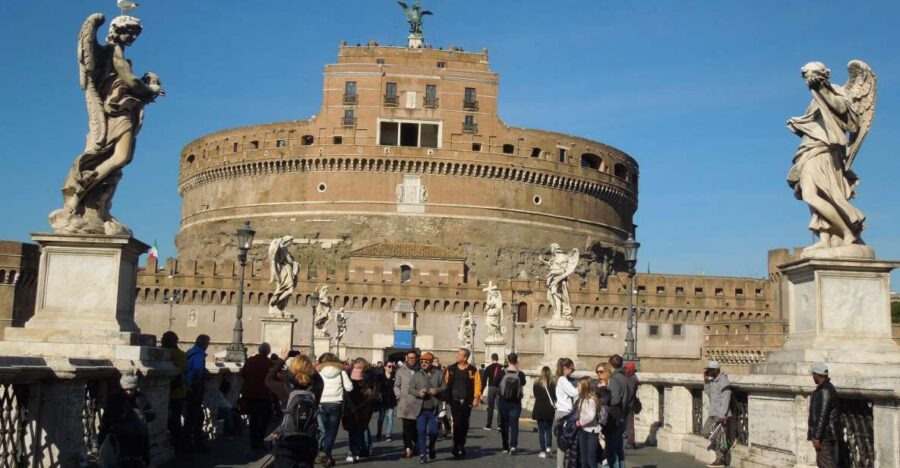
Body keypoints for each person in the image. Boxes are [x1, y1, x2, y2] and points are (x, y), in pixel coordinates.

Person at [266, 348, 324, 468]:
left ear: (292, 369)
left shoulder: (284, 388)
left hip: (287, 442)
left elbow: (268, 379)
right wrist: (308, 362)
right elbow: (320, 380)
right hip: (308, 441)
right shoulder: (315, 389)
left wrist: (281, 360)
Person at [98, 370, 156, 467]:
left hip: (138, 438)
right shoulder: (115, 398)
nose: (129, 392)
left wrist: (143, 415)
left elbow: (152, 413)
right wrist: (101, 439)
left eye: (132, 389)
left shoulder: (140, 398)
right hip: (120, 437)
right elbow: (106, 420)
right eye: (126, 389)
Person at [443, 348, 482, 458]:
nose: (457, 356)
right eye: (457, 354)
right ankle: (456, 445)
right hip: (454, 400)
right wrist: (445, 397)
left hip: (467, 401)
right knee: (457, 423)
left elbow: (477, 384)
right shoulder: (451, 369)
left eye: (459, 355)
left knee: (464, 424)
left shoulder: (473, 370)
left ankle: (462, 443)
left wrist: (476, 398)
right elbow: (445, 383)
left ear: (465, 357)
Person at [409, 352, 447, 464]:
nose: (423, 363)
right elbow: (410, 389)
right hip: (420, 409)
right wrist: (418, 393)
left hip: (434, 409)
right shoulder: (417, 374)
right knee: (420, 431)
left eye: (426, 362)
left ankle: (431, 446)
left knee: (434, 433)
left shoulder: (439, 373)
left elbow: (445, 386)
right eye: (421, 362)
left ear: (430, 363)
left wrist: (437, 390)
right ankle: (422, 455)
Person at [317, 353, 352, 467]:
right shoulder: (341, 372)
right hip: (336, 404)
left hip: (322, 404)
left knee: (324, 431)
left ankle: (327, 456)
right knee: (331, 433)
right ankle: (326, 454)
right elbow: (349, 387)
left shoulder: (319, 372)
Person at [343, 357, 378, 463]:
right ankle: (354, 452)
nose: (357, 369)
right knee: (356, 432)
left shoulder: (367, 378)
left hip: (359, 409)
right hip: (356, 409)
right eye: (355, 367)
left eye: (359, 367)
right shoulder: (350, 378)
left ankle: (355, 452)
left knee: (356, 432)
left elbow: (371, 395)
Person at [241, 342, 274, 451]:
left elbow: (244, 373)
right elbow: (275, 377)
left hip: (250, 394)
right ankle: (259, 442)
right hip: (263, 394)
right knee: (264, 420)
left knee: (253, 420)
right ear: (268, 351)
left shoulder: (250, 360)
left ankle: (253, 443)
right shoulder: (269, 363)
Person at [808, 363, 840, 468]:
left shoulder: (825, 391)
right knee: (824, 463)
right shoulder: (824, 389)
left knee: (826, 464)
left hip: (825, 436)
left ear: (818, 375)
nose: (813, 376)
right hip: (825, 435)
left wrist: (817, 437)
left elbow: (823, 415)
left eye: (813, 374)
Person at [160, 331, 187, 453]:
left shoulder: (161, 353)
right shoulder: (181, 355)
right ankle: (178, 444)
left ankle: (174, 443)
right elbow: (184, 370)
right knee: (175, 419)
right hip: (179, 391)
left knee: (169, 420)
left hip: (167, 392)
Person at [702, 360, 732, 468]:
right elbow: (709, 395)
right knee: (705, 432)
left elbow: (726, 399)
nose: (708, 372)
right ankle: (721, 453)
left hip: (721, 415)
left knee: (720, 437)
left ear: (716, 370)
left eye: (710, 370)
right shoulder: (713, 382)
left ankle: (720, 460)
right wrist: (706, 382)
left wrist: (722, 416)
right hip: (713, 413)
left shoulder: (724, 381)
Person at [184, 334, 210, 452]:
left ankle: (189, 442)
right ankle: (192, 443)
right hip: (194, 389)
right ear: (204, 344)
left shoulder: (190, 352)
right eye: (207, 344)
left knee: (193, 416)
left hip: (187, 388)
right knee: (196, 417)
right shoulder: (199, 355)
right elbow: (198, 372)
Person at [497, 352, 526, 455]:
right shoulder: (520, 374)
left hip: (504, 401)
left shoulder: (502, 373)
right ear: (516, 360)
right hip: (516, 402)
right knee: (514, 424)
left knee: (504, 424)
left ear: (508, 360)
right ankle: (513, 445)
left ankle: (505, 446)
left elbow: (496, 383)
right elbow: (523, 383)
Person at [606, 354, 632, 468]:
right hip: (622, 415)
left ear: (610, 365)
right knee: (619, 448)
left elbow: (615, 398)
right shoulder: (625, 378)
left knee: (612, 449)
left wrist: (604, 401)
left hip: (614, 416)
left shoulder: (614, 378)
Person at [395, 350, 420, 458]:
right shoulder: (401, 370)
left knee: (416, 427)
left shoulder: (421, 370)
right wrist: (399, 395)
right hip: (405, 402)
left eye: (413, 358)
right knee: (406, 427)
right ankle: (407, 447)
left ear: (416, 358)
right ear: (406, 358)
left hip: (418, 402)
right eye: (409, 358)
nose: (411, 360)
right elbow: (396, 385)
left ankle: (416, 445)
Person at [555, 358, 578, 468]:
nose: (573, 371)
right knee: (563, 444)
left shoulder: (563, 379)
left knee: (565, 442)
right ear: (565, 368)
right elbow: (574, 392)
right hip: (564, 413)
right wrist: (582, 386)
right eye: (572, 368)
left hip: (565, 412)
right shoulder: (562, 380)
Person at [575, 376, 602, 468]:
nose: (577, 387)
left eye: (578, 385)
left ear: (584, 387)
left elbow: (591, 415)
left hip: (592, 432)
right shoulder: (581, 398)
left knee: (591, 459)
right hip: (582, 431)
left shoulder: (591, 400)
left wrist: (580, 422)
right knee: (583, 459)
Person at [532, 365, 557, 458]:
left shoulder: (536, 382)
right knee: (549, 429)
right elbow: (554, 396)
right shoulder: (552, 383)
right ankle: (549, 447)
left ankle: (542, 451)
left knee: (541, 431)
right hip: (549, 409)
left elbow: (535, 394)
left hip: (539, 408)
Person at [376, 360, 398, 442]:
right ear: (385, 367)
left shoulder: (394, 376)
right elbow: (377, 388)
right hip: (382, 400)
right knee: (381, 417)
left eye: (392, 366)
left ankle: (388, 435)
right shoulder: (380, 376)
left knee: (390, 418)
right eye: (389, 366)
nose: (391, 368)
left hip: (391, 399)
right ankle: (379, 432)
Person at [482, 353, 503, 430]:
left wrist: (482, 391)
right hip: (499, 388)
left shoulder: (488, 368)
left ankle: (489, 425)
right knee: (499, 407)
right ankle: (499, 425)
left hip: (491, 388)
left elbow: (484, 380)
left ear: (491, 359)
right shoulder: (501, 368)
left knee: (490, 407)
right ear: (498, 359)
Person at [624, 361, 640, 449]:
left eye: (627, 368)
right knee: (630, 423)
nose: (625, 370)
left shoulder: (630, 378)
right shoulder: (634, 378)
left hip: (627, 404)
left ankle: (630, 442)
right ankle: (631, 442)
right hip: (630, 403)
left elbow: (629, 393)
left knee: (629, 423)